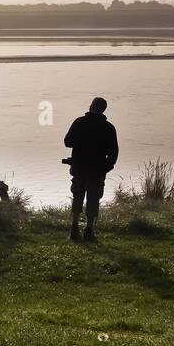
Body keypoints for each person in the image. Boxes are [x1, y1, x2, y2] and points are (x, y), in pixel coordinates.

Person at [63, 96, 118, 242]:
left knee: (77, 197)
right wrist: (106, 168)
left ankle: (74, 228)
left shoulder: (79, 122)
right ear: (103, 109)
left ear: (91, 106)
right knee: (93, 199)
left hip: (79, 169)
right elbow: (113, 153)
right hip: (97, 171)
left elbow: (67, 142)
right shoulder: (109, 128)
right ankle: (89, 229)